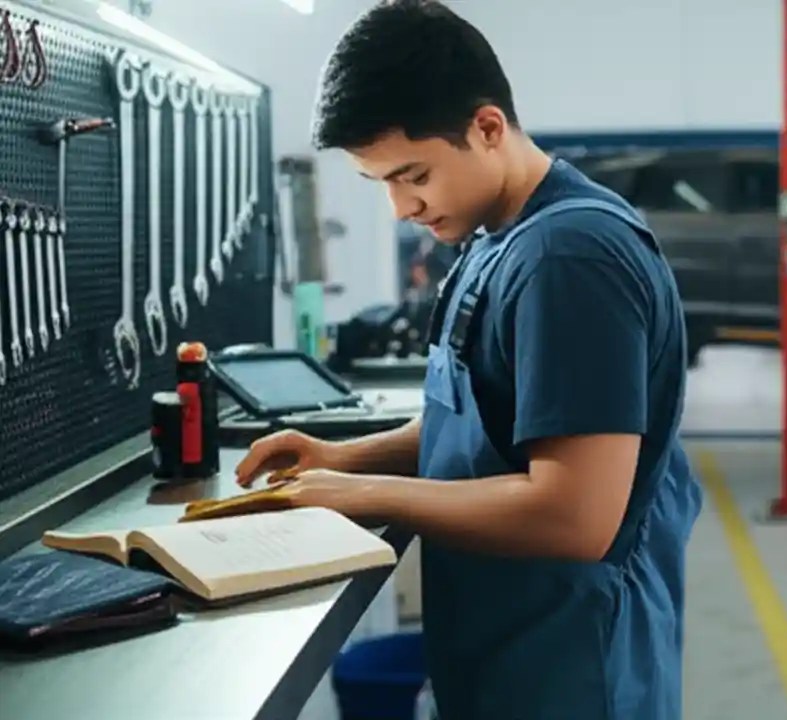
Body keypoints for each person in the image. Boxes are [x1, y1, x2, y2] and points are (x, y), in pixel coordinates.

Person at [233, 1, 704, 717]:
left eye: (413, 175)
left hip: (572, 667)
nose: (400, 208)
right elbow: (488, 427)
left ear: (487, 128)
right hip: (506, 647)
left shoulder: (569, 255)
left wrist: (368, 498)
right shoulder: (498, 239)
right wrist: (344, 457)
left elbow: (576, 513)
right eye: (382, 183)